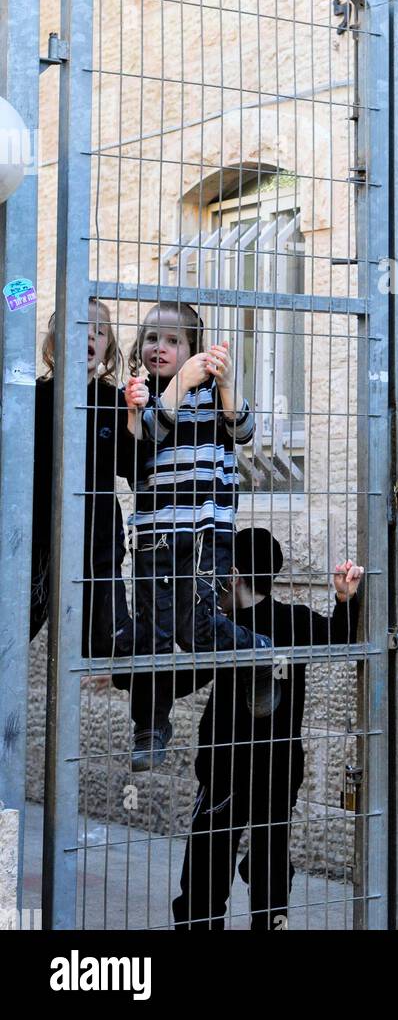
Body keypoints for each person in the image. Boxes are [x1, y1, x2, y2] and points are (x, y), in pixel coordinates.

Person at [172, 527, 364, 931]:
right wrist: (344, 599)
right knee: (271, 854)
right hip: (278, 766)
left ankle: (199, 923)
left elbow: (186, 678)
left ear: (235, 574)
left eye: (219, 568)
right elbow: (340, 636)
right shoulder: (293, 620)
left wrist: (137, 683)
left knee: (209, 859)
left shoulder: (223, 628)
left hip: (226, 766)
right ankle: (271, 920)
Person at [124, 303, 278, 772]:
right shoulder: (144, 394)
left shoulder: (213, 393)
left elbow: (246, 431)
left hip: (208, 532)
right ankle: (150, 727)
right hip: (156, 536)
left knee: (197, 628)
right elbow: (146, 437)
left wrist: (226, 384)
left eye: (173, 341)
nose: (160, 348)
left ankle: (257, 655)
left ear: (193, 349)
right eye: (152, 338)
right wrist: (173, 389)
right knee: (153, 633)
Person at [30, 299, 136, 657]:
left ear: (107, 349)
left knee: (103, 639)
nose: (90, 334)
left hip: (97, 539)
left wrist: (134, 417)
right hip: (37, 539)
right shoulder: (34, 397)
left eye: (99, 331)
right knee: (17, 628)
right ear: (54, 343)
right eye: (79, 327)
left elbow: (129, 465)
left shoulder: (114, 400)